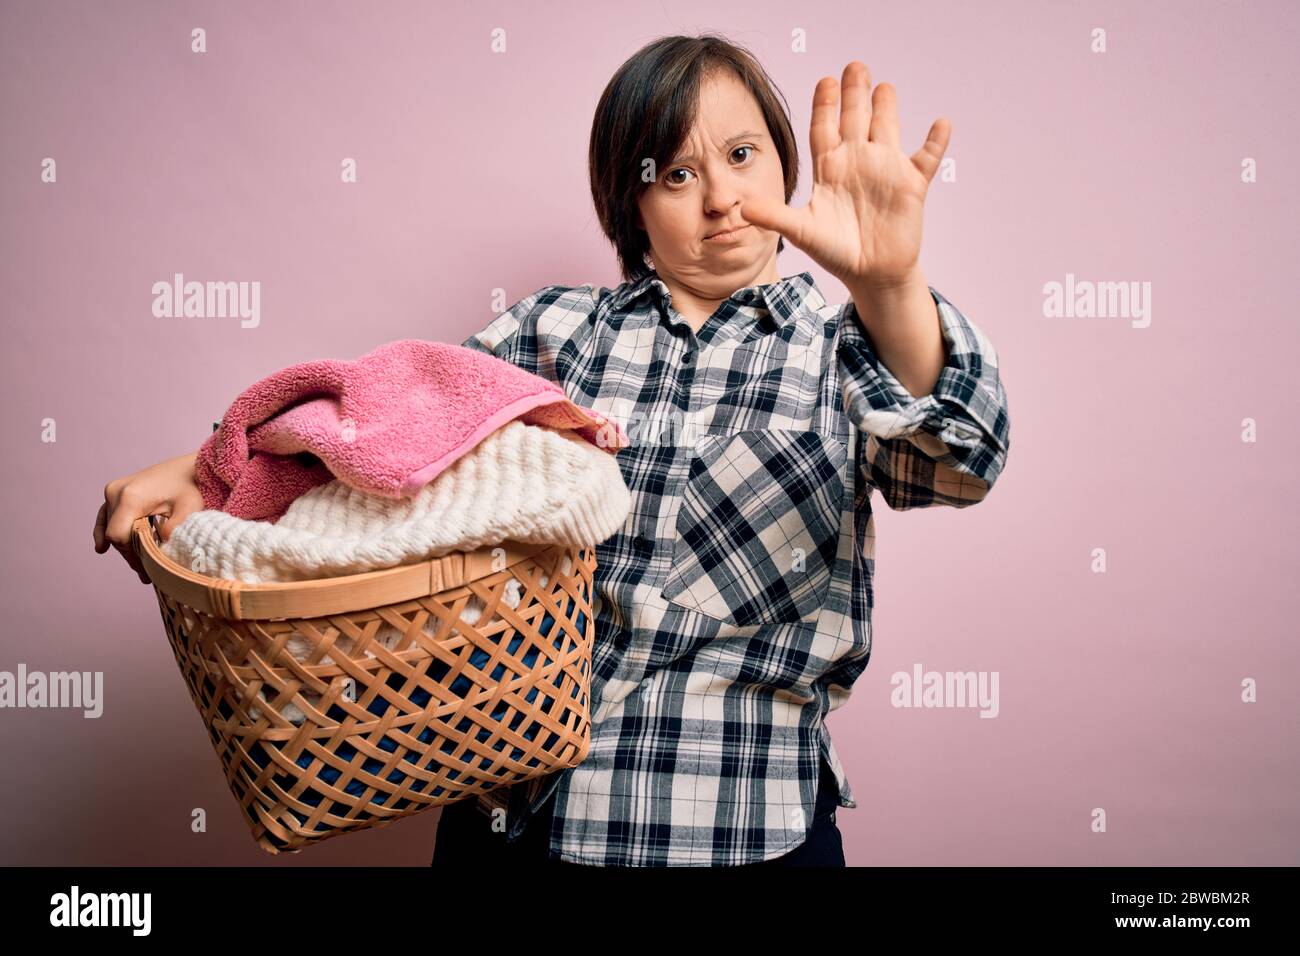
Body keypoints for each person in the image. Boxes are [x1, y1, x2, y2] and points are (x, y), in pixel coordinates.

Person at [94, 33, 1011, 867]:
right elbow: (382, 445)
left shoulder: (845, 343)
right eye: (677, 174)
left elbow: (961, 464)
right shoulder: (552, 331)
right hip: (516, 823)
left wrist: (893, 289)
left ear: (785, 163)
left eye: (742, 157)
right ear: (631, 200)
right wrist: (214, 466)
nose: (723, 197)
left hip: (746, 827)